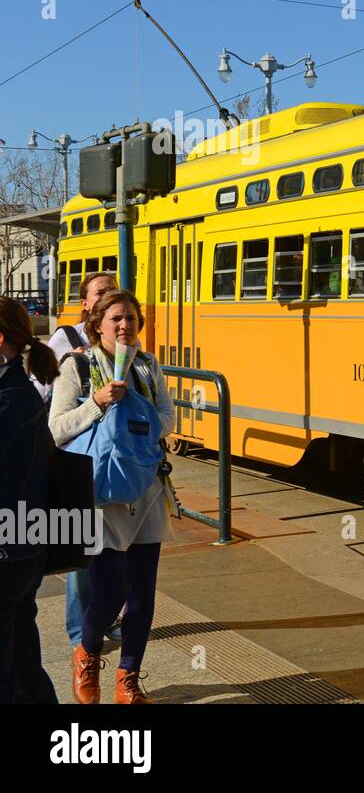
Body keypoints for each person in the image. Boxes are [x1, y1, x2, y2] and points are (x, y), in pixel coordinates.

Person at [48, 290, 175, 705]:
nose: (125, 326)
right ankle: (87, 652)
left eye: (132, 319)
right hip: (99, 496)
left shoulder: (148, 365)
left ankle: (128, 679)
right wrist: (97, 405)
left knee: (142, 592)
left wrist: (140, 426)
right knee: (111, 592)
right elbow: (56, 429)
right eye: (116, 318)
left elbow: (167, 417)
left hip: (146, 489)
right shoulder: (78, 367)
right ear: (98, 323)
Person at [40, 270, 121, 651]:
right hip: (73, 458)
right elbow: (37, 385)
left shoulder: (119, 341)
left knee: (113, 550)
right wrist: (65, 371)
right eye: (102, 292)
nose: (110, 295)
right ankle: (80, 633)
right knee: (81, 549)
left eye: (114, 290)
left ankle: (102, 620)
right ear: (86, 302)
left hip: (110, 462)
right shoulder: (66, 340)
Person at [0, 297, 60, 704]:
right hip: (24, 545)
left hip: (8, 549)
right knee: (23, 652)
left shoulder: (9, 402)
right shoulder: (22, 395)